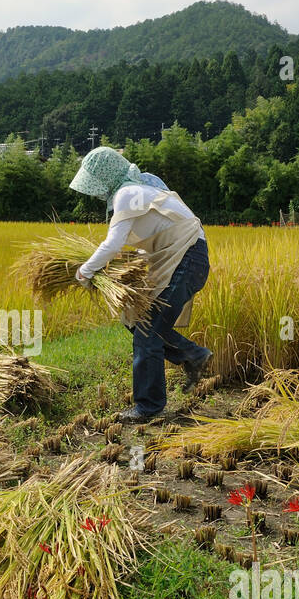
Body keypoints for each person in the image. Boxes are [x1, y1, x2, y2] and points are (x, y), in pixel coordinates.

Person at [69, 146, 212, 423]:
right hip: (185, 259)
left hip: (187, 260)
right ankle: (193, 355)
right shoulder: (138, 190)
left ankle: (149, 407)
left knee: (147, 330)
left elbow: (113, 243)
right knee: (137, 321)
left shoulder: (127, 194)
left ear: (104, 177)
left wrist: (85, 272)